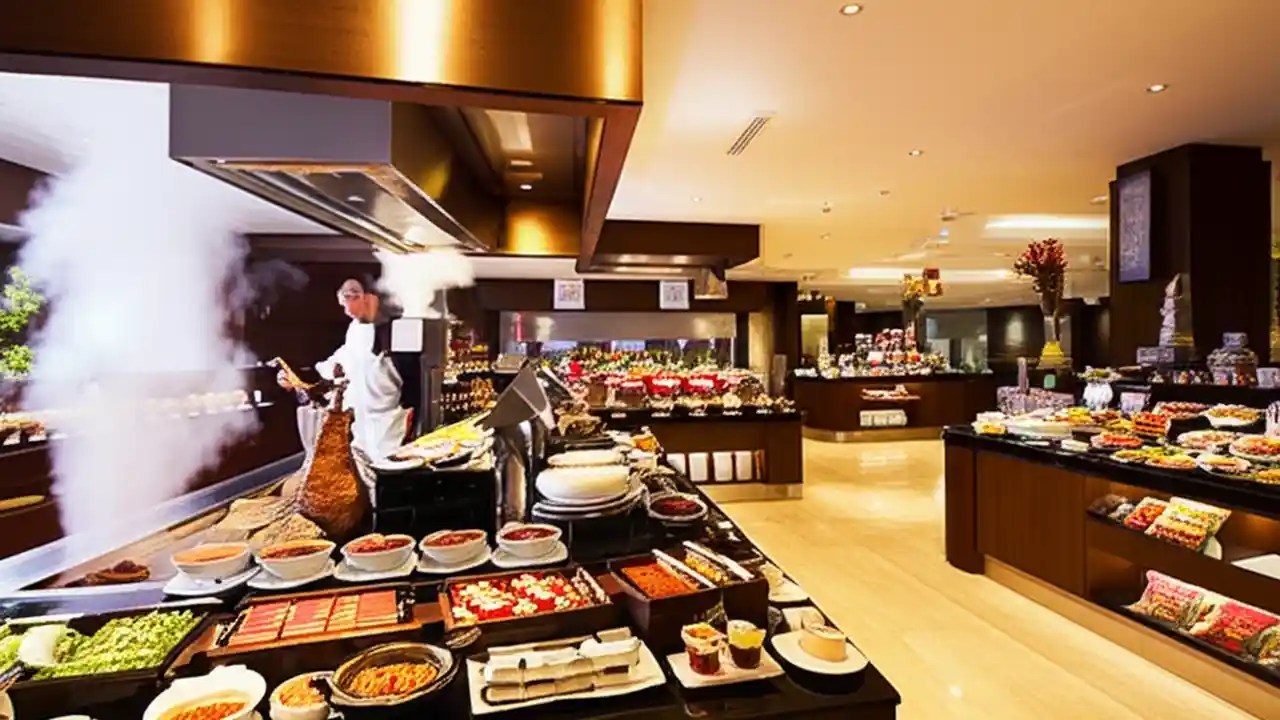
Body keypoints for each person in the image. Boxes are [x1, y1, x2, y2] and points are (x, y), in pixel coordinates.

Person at [277, 277, 420, 460]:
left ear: (371, 297)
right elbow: (335, 364)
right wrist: (295, 376)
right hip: (360, 425)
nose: (347, 308)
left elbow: (415, 384)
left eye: (353, 297)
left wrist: (412, 421)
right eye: (344, 300)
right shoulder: (355, 329)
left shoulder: (400, 329)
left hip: (392, 425)